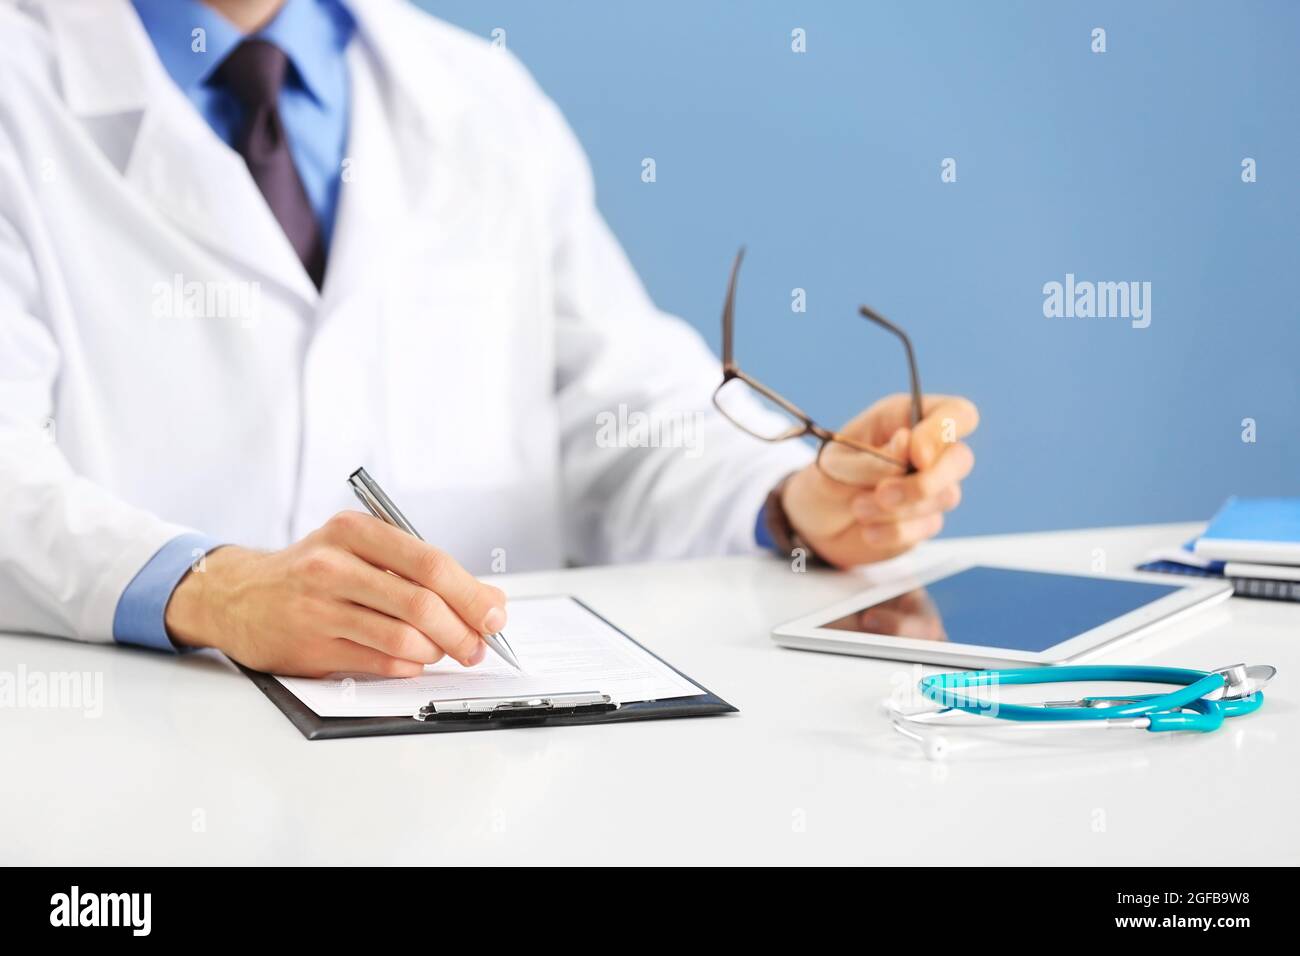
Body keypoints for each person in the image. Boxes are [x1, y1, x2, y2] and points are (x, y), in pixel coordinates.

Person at [0, 0, 978, 677]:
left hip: (469, 762)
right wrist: (212, 589)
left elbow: (620, 403)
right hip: (127, 780)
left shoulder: (478, 95)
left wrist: (793, 500)